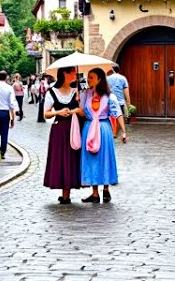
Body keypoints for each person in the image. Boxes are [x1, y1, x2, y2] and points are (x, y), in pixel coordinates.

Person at [79, 68, 126, 203]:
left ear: (99, 79)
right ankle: (94, 193)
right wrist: (78, 103)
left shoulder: (109, 96)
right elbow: (82, 112)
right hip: (88, 128)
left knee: (105, 158)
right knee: (91, 159)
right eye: (88, 77)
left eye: (91, 77)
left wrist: (124, 131)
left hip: (104, 128)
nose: (88, 80)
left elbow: (117, 113)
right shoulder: (85, 94)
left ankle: (106, 189)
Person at [43, 67, 82, 203]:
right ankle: (64, 193)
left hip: (74, 128)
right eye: (71, 72)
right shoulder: (52, 92)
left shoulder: (76, 92)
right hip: (59, 129)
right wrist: (58, 112)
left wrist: (78, 106)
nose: (74, 74)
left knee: (72, 158)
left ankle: (67, 193)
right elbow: (46, 113)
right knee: (61, 159)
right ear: (64, 74)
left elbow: (83, 111)